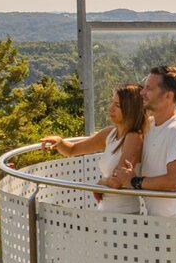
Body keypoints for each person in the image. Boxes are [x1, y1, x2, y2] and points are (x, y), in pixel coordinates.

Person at [39, 83, 149, 213]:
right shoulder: (110, 133)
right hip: (105, 210)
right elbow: (72, 149)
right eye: (112, 102)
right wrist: (59, 141)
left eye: (118, 105)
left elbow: (118, 180)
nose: (110, 108)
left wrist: (99, 184)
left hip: (124, 215)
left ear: (131, 109)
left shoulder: (134, 137)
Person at [133, 63, 176, 218]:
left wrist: (135, 182)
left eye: (149, 89)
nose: (142, 92)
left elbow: (173, 182)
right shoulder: (150, 126)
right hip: (159, 221)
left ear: (168, 96)